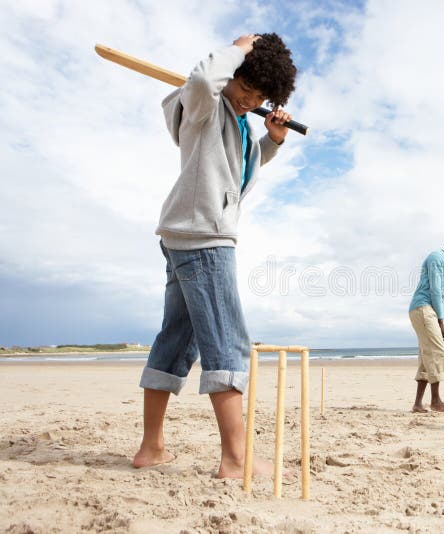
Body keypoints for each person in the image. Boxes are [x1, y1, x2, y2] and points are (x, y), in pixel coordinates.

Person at [132, 33, 297, 478]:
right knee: (226, 343)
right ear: (233, 75)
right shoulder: (203, 104)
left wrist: (272, 141)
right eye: (245, 89)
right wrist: (241, 48)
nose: (250, 100)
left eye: (261, 96)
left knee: (176, 341)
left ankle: (151, 447)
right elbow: (205, 79)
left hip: (187, 234)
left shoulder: (238, 122)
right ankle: (236, 459)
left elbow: (235, 175)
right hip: (203, 238)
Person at [408, 230, 444, 413]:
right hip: (424, 307)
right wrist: (441, 321)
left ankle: (418, 404)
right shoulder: (436, 257)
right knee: (437, 352)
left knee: (427, 357)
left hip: (428, 310)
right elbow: (434, 290)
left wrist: (441, 320)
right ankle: (435, 401)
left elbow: (441, 295)